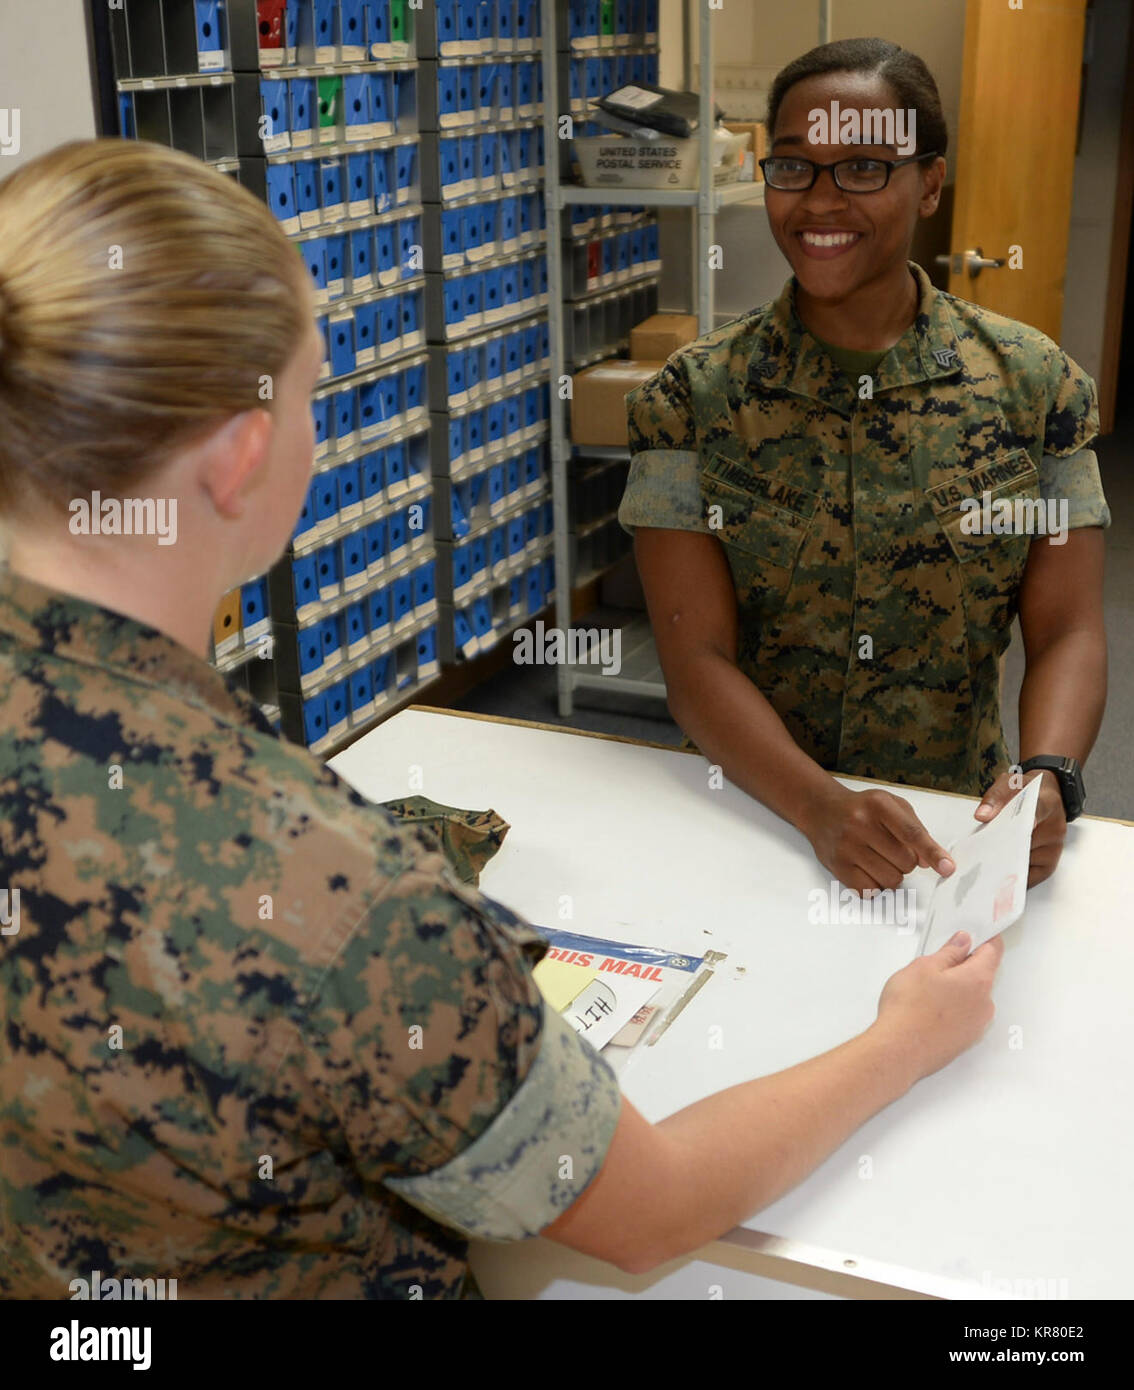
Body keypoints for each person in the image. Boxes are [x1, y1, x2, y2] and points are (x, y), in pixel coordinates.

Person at [0, 138, 1002, 1301]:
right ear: (242, 456)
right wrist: (908, 1036)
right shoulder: (348, 903)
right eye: (318, 390)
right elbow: (649, 1209)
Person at [621, 38, 1109, 896]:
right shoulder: (690, 400)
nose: (819, 202)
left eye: (862, 168)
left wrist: (1050, 776)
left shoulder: (1037, 388)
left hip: (955, 836)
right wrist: (819, 807)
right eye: (794, 167)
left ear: (929, 181)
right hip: (753, 816)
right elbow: (695, 659)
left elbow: (1068, 630)